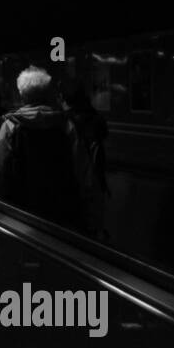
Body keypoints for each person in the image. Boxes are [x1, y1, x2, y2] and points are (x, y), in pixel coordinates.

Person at [0, 66, 96, 233]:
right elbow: (82, 170)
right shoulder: (66, 125)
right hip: (61, 211)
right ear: (47, 93)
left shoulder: (11, 126)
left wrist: (8, 199)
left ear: (22, 95)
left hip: (21, 210)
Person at [61, 78, 110, 238]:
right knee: (93, 230)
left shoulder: (66, 123)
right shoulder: (97, 120)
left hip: (74, 184)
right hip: (95, 183)